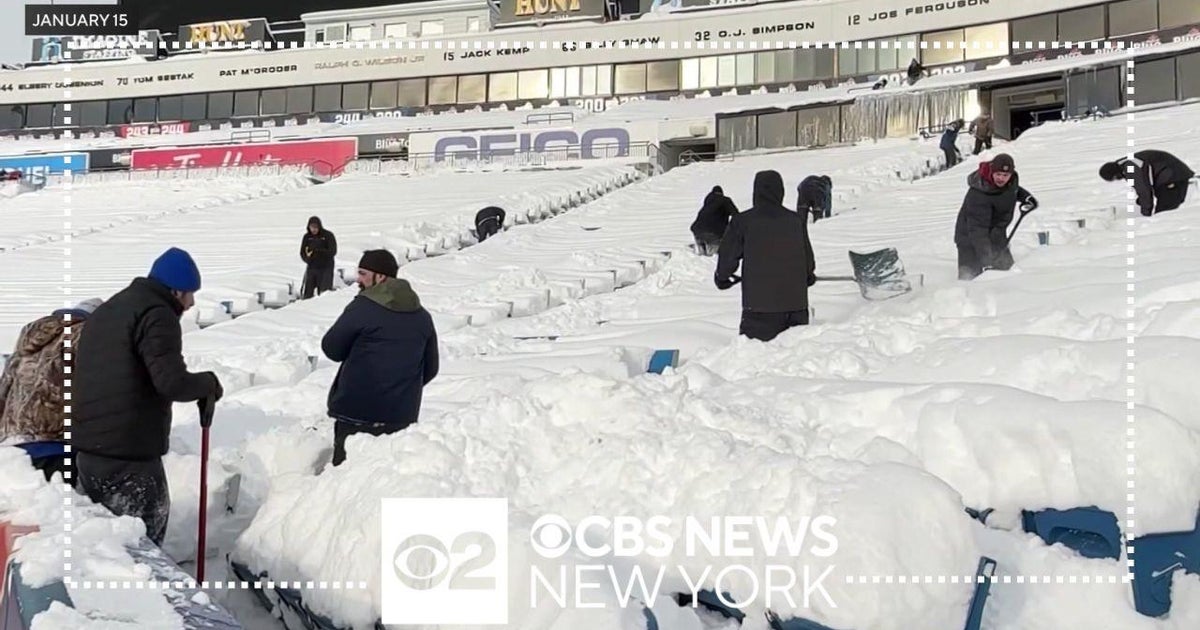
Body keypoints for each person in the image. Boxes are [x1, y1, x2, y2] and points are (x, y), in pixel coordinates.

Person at [73, 247, 224, 546]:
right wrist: (207, 384)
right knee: (143, 546)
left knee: (103, 550)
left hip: (88, 451)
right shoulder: (157, 314)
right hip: (128, 454)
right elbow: (172, 383)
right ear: (176, 290)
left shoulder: (110, 309)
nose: (192, 303)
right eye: (190, 293)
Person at [321, 250, 439, 467]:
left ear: (381, 277)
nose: (359, 279)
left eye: (363, 274)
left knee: (343, 485)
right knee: (381, 484)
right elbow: (430, 369)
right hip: (401, 418)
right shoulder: (422, 317)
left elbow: (331, 348)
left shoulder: (363, 307)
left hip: (355, 412)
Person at [0, 299, 103, 483]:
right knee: (60, 503)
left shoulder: (26, 344)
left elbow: (3, 390)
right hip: (55, 443)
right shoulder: (84, 336)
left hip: (12, 446)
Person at [714, 170, 817, 342]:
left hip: (759, 309)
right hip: (796, 308)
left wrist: (722, 277)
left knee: (756, 360)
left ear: (756, 191)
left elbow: (728, 257)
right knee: (794, 361)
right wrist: (808, 276)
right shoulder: (795, 220)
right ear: (781, 191)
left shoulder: (743, 221)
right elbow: (808, 259)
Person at [954, 154, 1039, 281]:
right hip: (970, 239)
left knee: (1008, 272)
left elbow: (1013, 190)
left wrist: (1026, 198)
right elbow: (978, 231)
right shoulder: (979, 194)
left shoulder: (1010, 182)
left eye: (1005, 175)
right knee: (971, 278)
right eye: (998, 174)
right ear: (991, 172)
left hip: (996, 233)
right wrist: (986, 260)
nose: (1001, 178)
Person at [1099, 150, 1195, 217]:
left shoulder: (1131, 167)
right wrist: (1141, 201)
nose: (1118, 180)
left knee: (1164, 216)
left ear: (1115, 174)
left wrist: (1145, 217)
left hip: (1172, 177)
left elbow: (1144, 190)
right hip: (1173, 176)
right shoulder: (1126, 163)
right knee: (1169, 213)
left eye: (1115, 178)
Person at [689, 186, 739, 256]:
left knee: (702, 258)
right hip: (714, 232)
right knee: (715, 258)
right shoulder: (725, 201)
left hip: (697, 230)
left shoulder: (708, 203)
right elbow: (736, 215)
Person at [300, 216, 338, 299]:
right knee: (308, 293)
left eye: (316, 227)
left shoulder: (328, 235)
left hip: (326, 267)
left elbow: (333, 251)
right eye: (312, 227)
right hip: (312, 267)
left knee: (324, 292)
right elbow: (302, 252)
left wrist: (319, 252)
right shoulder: (307, 237)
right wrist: (307, 259)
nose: (314, 229)